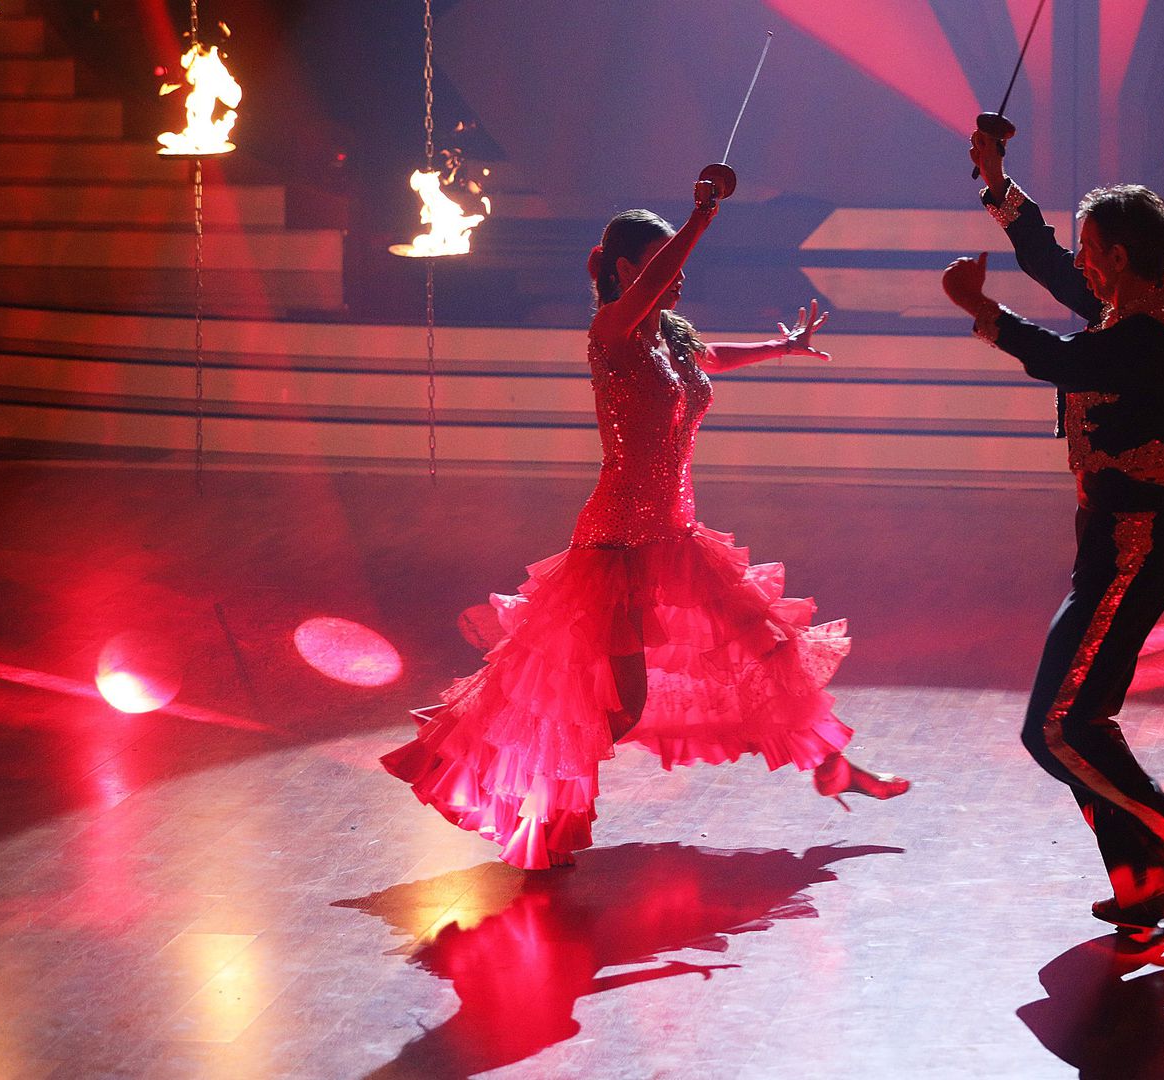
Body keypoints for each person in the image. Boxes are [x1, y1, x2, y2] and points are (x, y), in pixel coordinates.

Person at [384, 177, 907, 870]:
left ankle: (832, 765)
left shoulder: (669, 337)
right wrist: (701, 217)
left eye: (677, 263)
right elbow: (660, 294)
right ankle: (540, 805)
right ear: (628, 270)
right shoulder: (611, 333)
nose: (679, 276)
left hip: (676, 536)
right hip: (618, 545)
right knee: (620, 707)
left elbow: (710, 360)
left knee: (770, 647)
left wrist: (779, 348)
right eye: (663, 264)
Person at [941, 123, 1164, 950]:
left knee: (1058, 727)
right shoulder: (1128, 304)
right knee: (1082, 722)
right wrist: (998, 184)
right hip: (1108, 539)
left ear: (1122, 256)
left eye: (1094, 250)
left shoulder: (1149, 329)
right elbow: (1049, 263)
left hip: (1135, 544)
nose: (1083, 263)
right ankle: (1145, 881)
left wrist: (983, 313)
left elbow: (1069, 362)